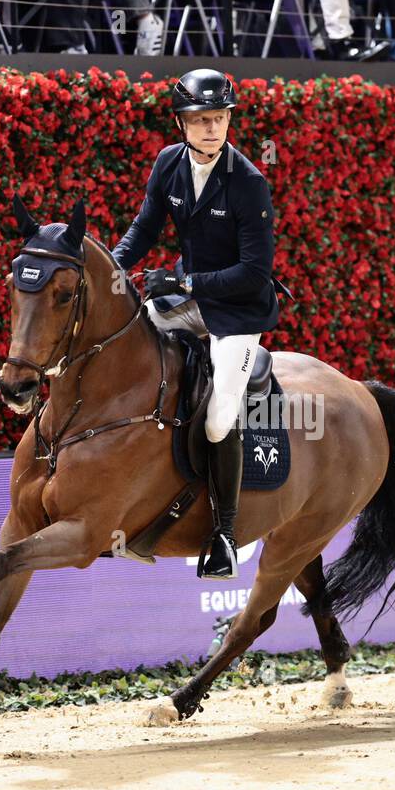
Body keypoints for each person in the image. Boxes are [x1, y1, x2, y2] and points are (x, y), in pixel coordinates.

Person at [110, 68, 283, 580]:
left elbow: (256, 272)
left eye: (219, 118)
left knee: (216, 420)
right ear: (181, 124)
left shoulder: (249, 183)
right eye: (200, 119)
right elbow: (145, 227)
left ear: (229, 119)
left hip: (237, 311)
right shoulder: (169, 164)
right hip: (192, 296)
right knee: (126, 348)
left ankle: (224, 535)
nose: (211, 128)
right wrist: (114, 266)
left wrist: (185, 285)